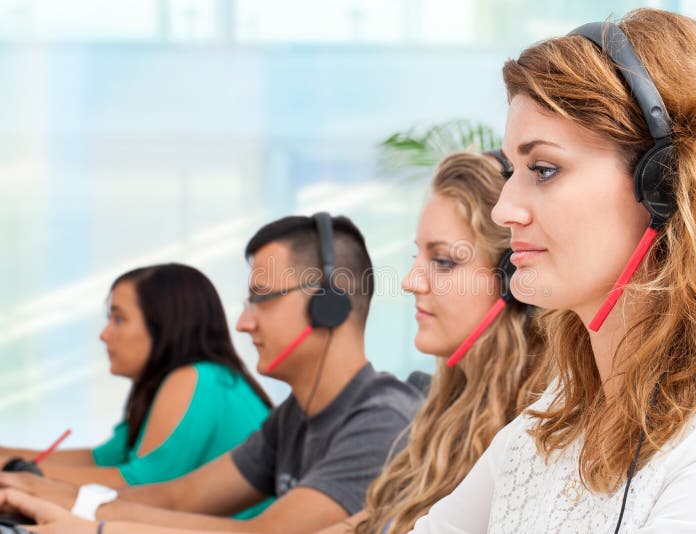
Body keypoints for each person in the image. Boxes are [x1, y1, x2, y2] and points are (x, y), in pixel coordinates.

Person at [410, 8, 696, 532]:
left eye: (543, 170)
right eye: (513, 171)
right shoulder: (557, 415)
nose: (504, 210)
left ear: (666, 184)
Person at [0, 214, 423, 534]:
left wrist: (90, 524)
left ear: (328, 304)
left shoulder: (381, 420)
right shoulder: (294, 416)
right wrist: (36, 494)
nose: (243, 323)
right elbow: (179, 496)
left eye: (261, 299)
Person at [314, 151, 550, 534]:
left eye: (442, 261)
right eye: (417, 256)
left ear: (511, 278)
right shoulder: (450, 412)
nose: (411, 281)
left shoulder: (538, 429)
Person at [1, 263, 272, 518]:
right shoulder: (187, 381)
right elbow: (100, 460)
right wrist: (8, 460)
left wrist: (22, 473)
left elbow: (139, 483)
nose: (104, 334)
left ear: (165, 324)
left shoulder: (196, 378)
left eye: (119, 319)